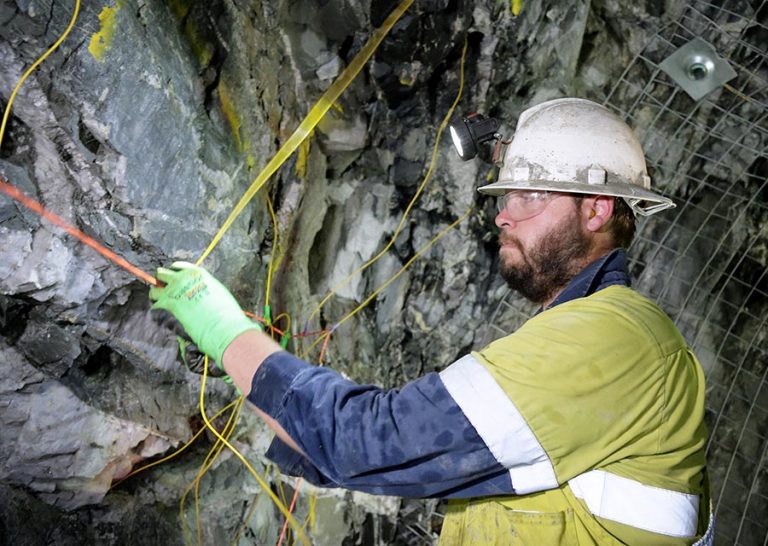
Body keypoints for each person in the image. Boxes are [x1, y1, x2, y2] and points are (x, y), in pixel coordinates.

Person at [149, 98, 713, 545]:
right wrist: (240, 366)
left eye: (530, 196)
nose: (502, 213)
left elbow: (366, 442)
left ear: (597, 208)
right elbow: (373, 458)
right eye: (505, 195)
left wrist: (228, 332)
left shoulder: (611, 341)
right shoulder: (600, 345)